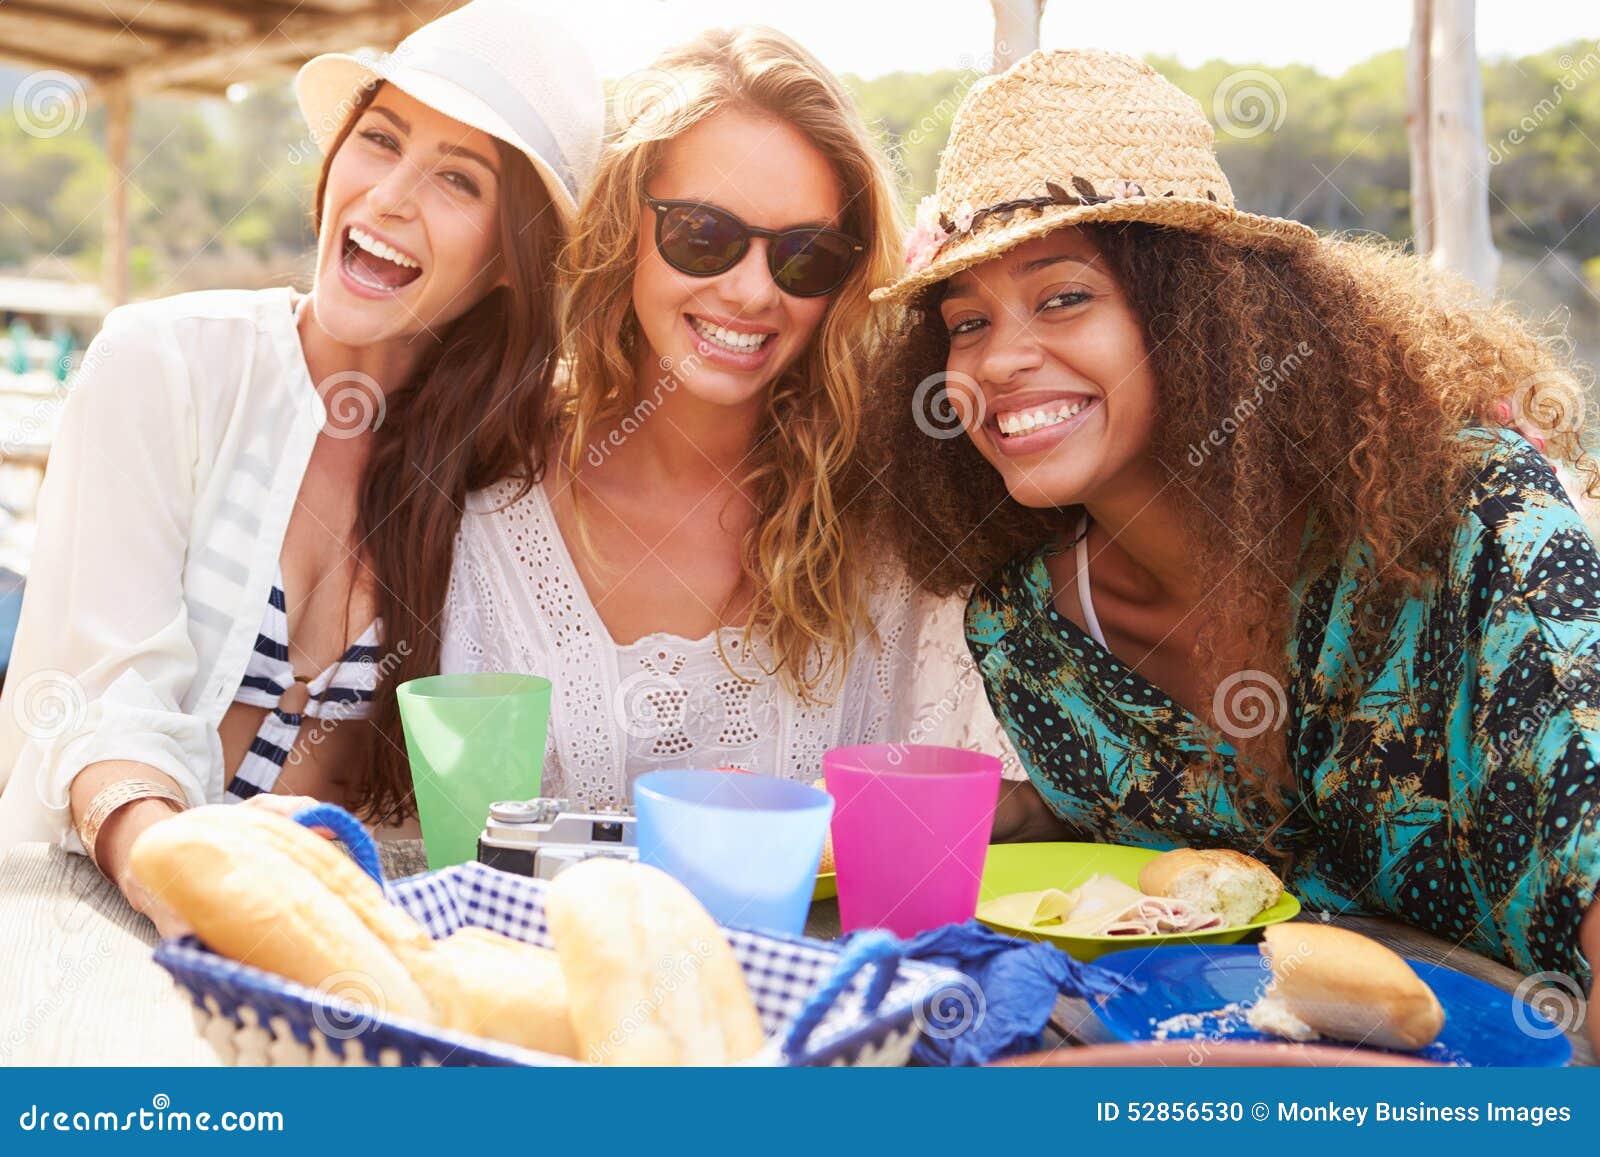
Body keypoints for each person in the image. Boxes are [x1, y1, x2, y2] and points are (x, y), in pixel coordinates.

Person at [867, 49, 1600, 1004]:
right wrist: (1040, 812)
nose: (1000, 359)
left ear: (1198, 314)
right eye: (966, 322)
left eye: (1064, 297)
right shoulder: (1027, 640)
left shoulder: (1466, 517)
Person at [0, 0, 603, 936]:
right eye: (380, 139)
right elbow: (98, 711)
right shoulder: (164, 363)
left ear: (508, 263)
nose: (390, 196)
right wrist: (195, 891)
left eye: (457, 180)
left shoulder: (509, 464)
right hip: (111, 936)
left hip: (346, 957)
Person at [441, 27, 1013, 806]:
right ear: (622, 228)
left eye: (805, 254)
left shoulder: (898, 515)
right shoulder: (482, 484)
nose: (752, 292)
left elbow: (961, 817)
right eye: (703, 236)